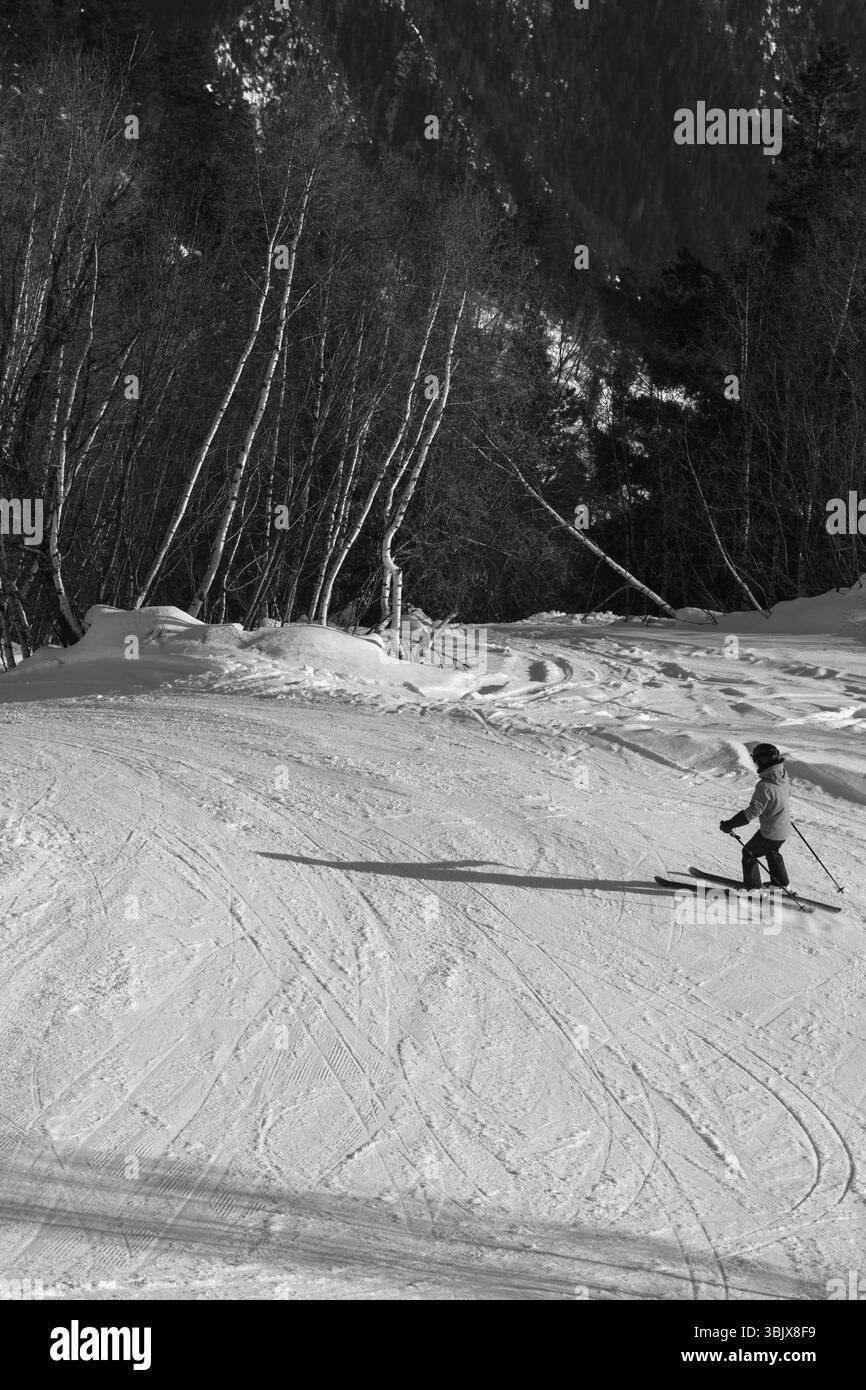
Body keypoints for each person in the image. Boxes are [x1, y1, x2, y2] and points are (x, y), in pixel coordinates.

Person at [720, 744, 792, 890]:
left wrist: (730, 824)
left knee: (749, 853)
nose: (759, 763)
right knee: (771, 851)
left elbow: (752, 812)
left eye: (760, 760)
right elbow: (785, 795)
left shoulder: (765, 786)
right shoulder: (783, 775)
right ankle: (780, 885)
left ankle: (752, 889)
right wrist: (777, 809)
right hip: (784, 828)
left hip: (771, 832)